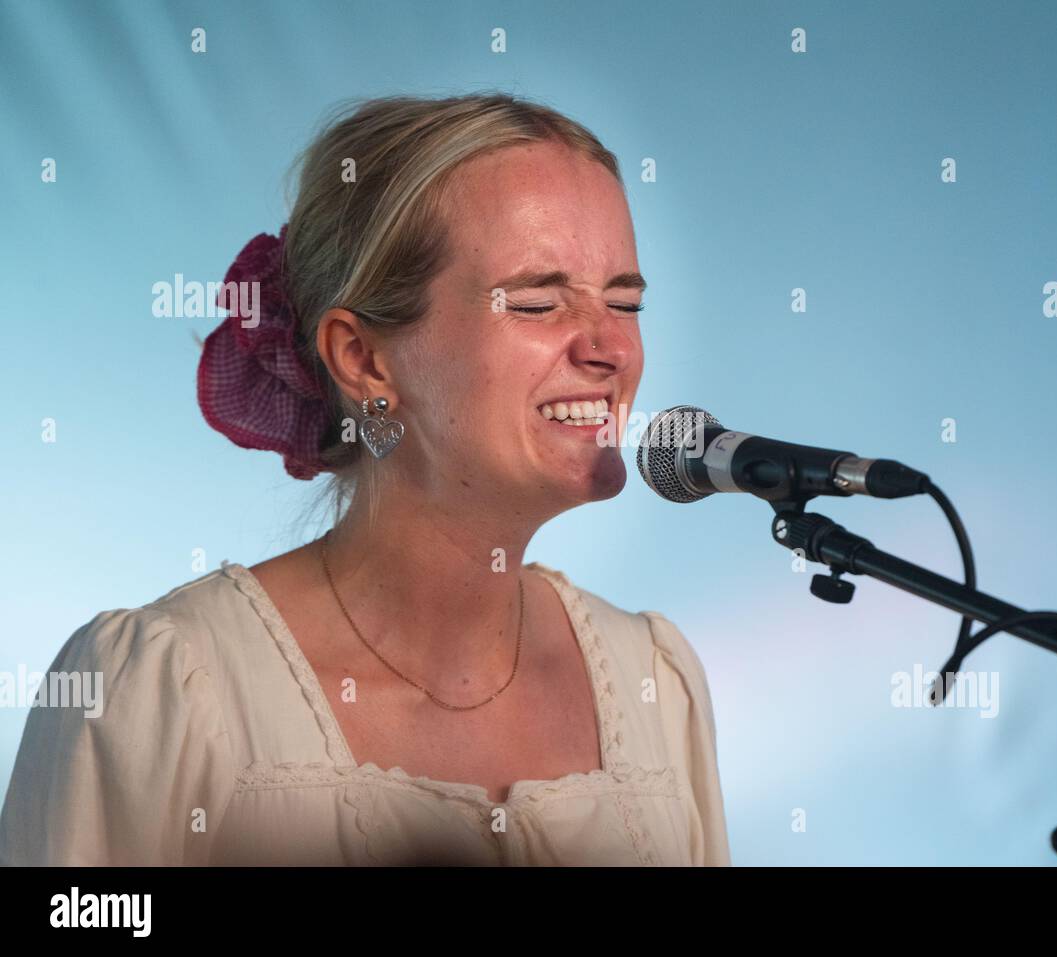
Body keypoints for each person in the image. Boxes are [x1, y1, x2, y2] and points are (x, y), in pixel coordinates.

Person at [0, 93, 730, 866]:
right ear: (364, 359)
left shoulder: (657, 684)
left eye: (625, 300)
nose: (612, 347)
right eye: (537, 301)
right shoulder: (165, 687)